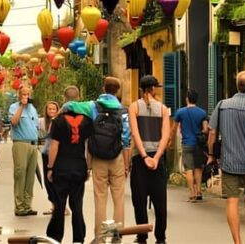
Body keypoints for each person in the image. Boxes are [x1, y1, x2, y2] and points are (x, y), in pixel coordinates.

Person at [64, 76, 132, 237]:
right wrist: (127, 164)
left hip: (97, 157)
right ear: (117, 91)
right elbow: (127, 139)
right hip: (117, 157)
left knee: (100, 197)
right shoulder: (123, 111)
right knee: (118, 198)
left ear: (103, 88)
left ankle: (100, 236)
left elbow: (69, 105)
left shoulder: (92, 106)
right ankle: (117, 234)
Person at [208, 71, 245, 244]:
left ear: (237, 85)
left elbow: (212, 132)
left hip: (229, 161)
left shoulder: (222, 105)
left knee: (232, 201)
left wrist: (211, 154)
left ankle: (237, 241)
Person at [129, 75, 170, 244]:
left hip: (140, 159)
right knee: (160, 200)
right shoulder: (163, 109)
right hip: (157, 159)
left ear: (141, 89)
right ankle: (160, 238)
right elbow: (165, 136)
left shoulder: (133, 107)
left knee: (139, 200)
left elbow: (135, 133)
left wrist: (144, 155)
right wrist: (156, 157)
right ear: (153, 89)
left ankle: (142, 235)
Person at [46, 107, 93, 243]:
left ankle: (55, 237)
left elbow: (54, 145)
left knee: (59, 204)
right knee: (77, 204)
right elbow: (88, 146)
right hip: (79, 166)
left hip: (61, 167)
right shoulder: (87, 121)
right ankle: (78, 238)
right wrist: (88, 167)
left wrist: (50, 167)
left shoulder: (58, 121)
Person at [171, 89, 208, 202]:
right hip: (198, 144)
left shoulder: (180, 112)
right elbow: (206, 129)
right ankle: (199, 191)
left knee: (189, 169)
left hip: (187, 143)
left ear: (187, 98)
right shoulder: (202, 112)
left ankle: (191, 193)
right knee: (198, 168)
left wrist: (171, 141)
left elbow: (174, 128)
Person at [8, 85, 39, 216]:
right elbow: (14, 122)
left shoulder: (33, 109)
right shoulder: (14, 107)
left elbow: (36, 126)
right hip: (20, 143)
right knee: (20, 174)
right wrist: (22, 106)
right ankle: (19, 206)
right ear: (19, 95)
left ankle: (27, 205)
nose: (26, 96)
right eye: (24, 94)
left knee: (30, 177)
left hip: (33, 145)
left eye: (28, 94)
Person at [39, 101, 60, 215]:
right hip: (45, 153)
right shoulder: (42, 122)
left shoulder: (60, 122)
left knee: (56, 180)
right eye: (49, 109)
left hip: (56, 155)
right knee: (48, 182)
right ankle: (54, 206)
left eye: (54, 109)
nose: (52, 111)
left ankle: (61, 207)